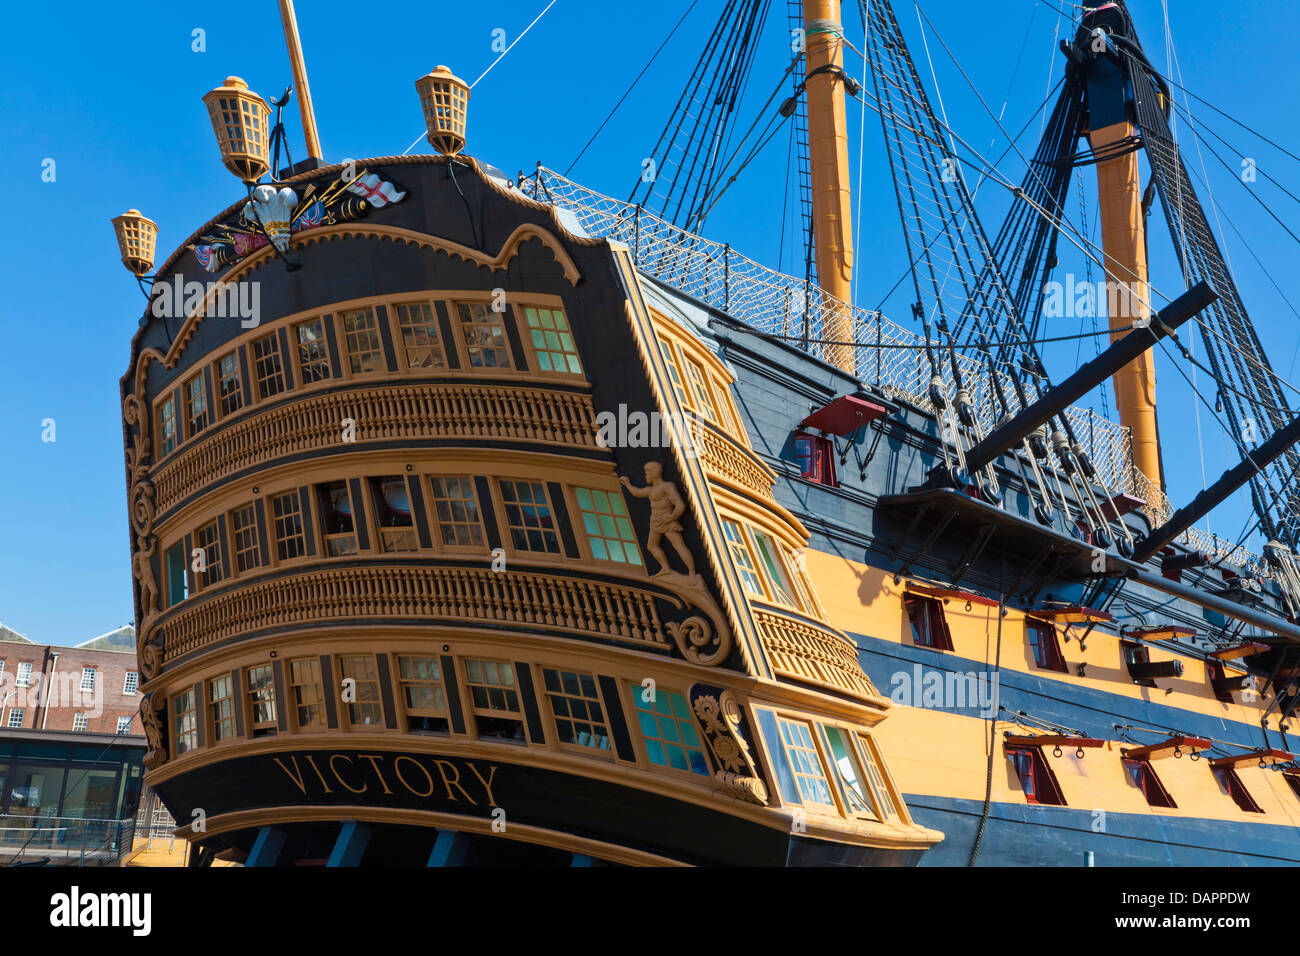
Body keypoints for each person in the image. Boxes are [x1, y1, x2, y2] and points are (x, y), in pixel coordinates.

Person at [620, 462, 697, 577]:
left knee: (678, 545)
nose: (645, 476)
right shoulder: (650, 490)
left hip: (667, 521)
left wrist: (672, 517)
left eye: (647, 473)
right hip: (655, 522)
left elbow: (680, 505)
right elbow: (636, 492)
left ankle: (692, 573)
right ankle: (666, 568)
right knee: (651, 546)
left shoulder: (667, 486)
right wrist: (627, 484)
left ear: (654, 474)